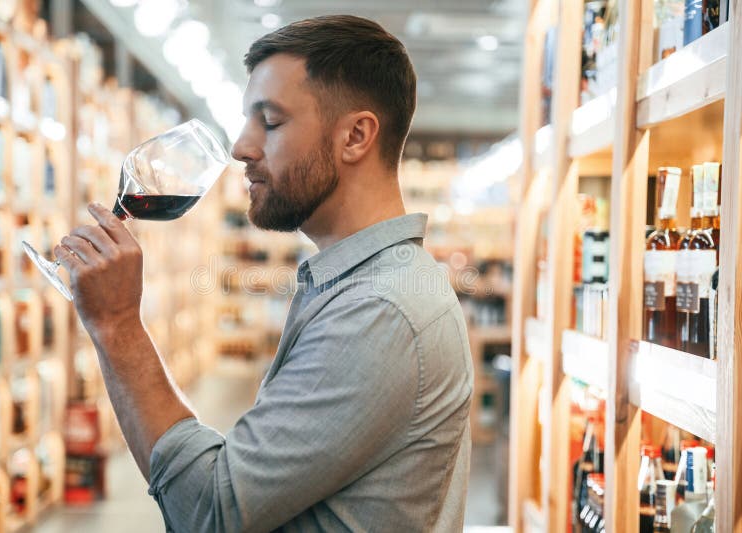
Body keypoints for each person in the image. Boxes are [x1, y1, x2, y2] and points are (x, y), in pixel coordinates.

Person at [56, 15, 473, 532]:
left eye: (270, 122)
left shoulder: (378, 313)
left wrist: (118, 326)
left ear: (356, 136)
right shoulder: (358, 286)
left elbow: (211, 511)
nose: (241, 148)